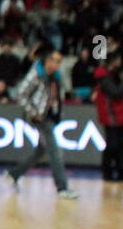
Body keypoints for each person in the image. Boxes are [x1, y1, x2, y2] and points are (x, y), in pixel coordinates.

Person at [5, 49, 78, 198]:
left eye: (60, 62)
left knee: (41, 151)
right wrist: (33, 112)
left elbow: (57, 95)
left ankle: (14, 174)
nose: (58, 65)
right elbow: (21, 94)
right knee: (55, 152)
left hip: (50, 115)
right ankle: (62, 188)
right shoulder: (36, 74)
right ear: (48, 61)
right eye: (56, 61)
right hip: (39, 118)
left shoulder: (56, 76)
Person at [94, 54, 123, 182]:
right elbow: (116, 93)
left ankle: (122, 171)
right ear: (112, 62)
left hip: (121, 114)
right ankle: (107, 172)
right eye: (118, 60)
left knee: (121, 145)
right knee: (112, 144)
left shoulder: (115, 74)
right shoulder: (104, 76)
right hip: (110, 115)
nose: (120, 62)